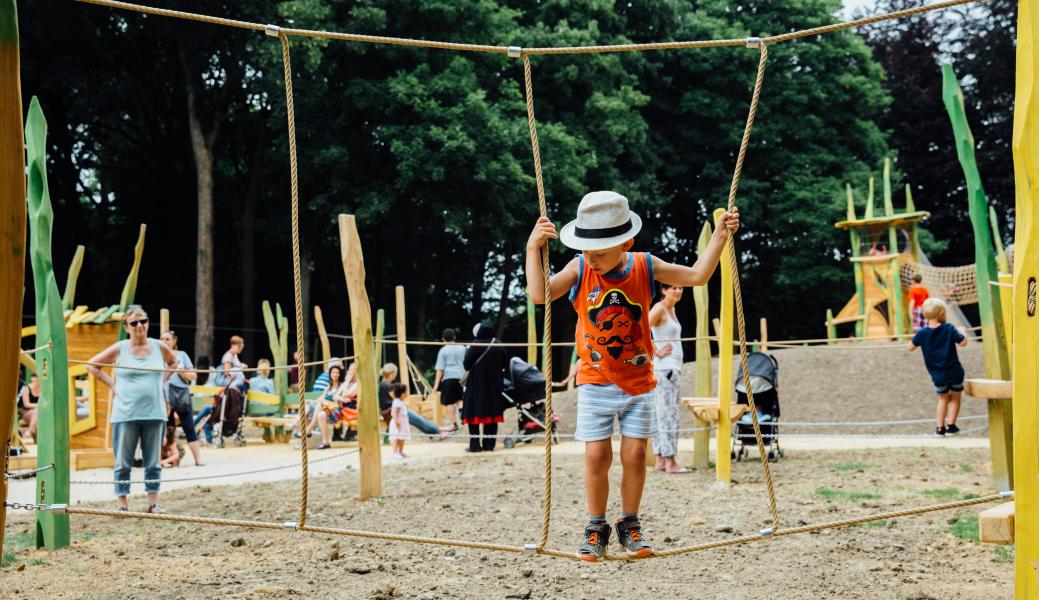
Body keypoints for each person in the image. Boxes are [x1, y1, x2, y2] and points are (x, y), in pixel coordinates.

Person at [526, 190, 739, 561]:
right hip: (594, 378)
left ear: (626, 242)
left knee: (637, 453)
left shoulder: (644, 265)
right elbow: (540, 295)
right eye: (587, 250)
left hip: (638, 381)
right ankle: (595, 527)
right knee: (596, 455)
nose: (592, 258)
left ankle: (629, 524)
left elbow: (697, 275)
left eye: (601, 252)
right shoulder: (579, 268)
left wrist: (721, 235)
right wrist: (533, 249)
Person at [87, 305, 178, 513]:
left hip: (154, 412)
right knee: (123, 461)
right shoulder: (120, 348)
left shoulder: (158, 347)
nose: (140, 326)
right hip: (125, 413)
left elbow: (174, 363)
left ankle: (153, 502)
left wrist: (161, 380)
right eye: (134, 323)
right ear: (126, 327)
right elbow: (92, 365)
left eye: (143, 321)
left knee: (153, 461)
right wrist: (112, 385)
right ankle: (122, 504)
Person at [908, 298, 968, 437]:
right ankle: (951, 426)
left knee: (943, 399)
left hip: (938, 375)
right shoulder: (949, 328)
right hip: (955, 372)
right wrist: (962, 331)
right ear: (941, 313)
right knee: (955, 397)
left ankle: (940, 429)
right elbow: (963, 343)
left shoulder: (922, 333)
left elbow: (910, 347)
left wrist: (917, 339)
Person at [649, 283, 689, 474]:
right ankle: (671, 461)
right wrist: (656, 352)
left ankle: (660, 459)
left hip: (670, 368)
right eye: (673, 287)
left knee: (661, 414)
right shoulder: (659, 309)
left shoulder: (671, 310)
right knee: (669, 414)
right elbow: (639, 330)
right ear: (664, 290)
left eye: (681, 288)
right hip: (665, 369)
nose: (678, 291)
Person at [461, 322, 508, 453]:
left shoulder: (475, 345)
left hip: (476, 385)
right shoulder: (498, 345)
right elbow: (505, 364)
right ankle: (489, 445)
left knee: (473, 415)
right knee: (492, 417)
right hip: (494, 386)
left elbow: (466, 365)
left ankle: (475, 446)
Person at [159, 330, 203, 466]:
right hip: (165, 397)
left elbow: (194, 376)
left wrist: (182, 372)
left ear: (174, 341)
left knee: (189, 426)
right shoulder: (157, 356)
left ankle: (198, 460)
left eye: (167, 339)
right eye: (162, 339)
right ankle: (170, 458)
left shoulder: (182, 355)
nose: (164, 342)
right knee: (168, 429)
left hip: (182, 395)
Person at [379, 363, 446, 436]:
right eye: (396, 373)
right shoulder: (386, 385)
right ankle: (438, 430)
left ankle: (434, 432)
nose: (396, 375)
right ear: (392, 373)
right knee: (418, 419)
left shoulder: (384, 384)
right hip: (392, 411)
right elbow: (397, 399)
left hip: (392, 410)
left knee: (417, 419)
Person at [304, 364, 349, 449]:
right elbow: (320, 399)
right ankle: (326, 442)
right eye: (333, 372)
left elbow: (337, 399)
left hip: (338, 412)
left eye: (337, 372)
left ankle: (309, 429)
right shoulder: (328, 388)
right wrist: (310, 401)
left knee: (320, 405)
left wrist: (325, 401)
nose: (335, 374)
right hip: (327, 411)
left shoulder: (342, 386)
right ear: (330, 374)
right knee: (320, 414)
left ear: (340, 374)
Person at [432, 328, 466, 430]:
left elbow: (440, 369)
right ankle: (462, 413)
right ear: (454, 338)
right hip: (462, 377)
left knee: (448, 402)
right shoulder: (462, 348)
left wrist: (436, 384)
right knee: (459, 399)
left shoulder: (443, 350)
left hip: (449, 378)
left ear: (443, 339)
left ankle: (454, 424)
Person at [388, 382, 411, 459]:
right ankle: (395, 452)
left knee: (402, 437)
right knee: (396, 437)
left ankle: (400, 451)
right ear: (401, 394)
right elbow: (394, 412)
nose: (407, 394)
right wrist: (396, 421)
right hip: (398, 422)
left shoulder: (401, 402)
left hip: (403, 422)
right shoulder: (396, 402)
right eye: (405, 392)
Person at [17, 374, 40, 440]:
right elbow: (26, 404)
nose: (35, 379)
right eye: (34, 377)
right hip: (26, 412)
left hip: (39, 412)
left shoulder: (43, 389)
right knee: (37, 411)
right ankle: (30, 432)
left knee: (38, 413)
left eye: (36, 377)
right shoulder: (26, 388)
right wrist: (38, 406)